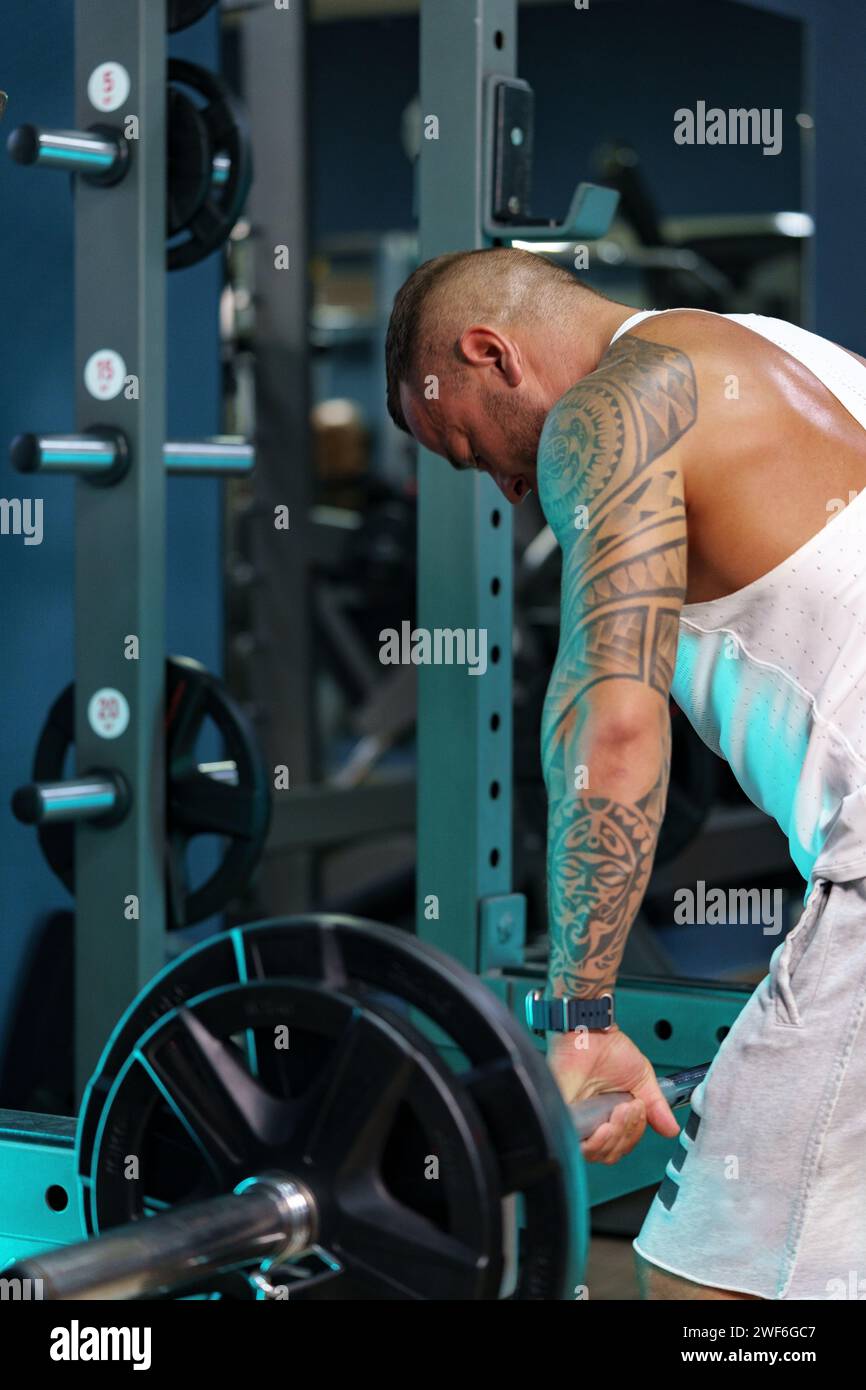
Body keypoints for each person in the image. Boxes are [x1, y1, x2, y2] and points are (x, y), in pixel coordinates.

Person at [385, 247, 866, 1300]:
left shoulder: (609, 413)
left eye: (470, 448)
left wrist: (579, 1014)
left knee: (709, 1278)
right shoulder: (784, 354)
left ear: (488, 351)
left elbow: (612, 727)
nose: (511, 488)